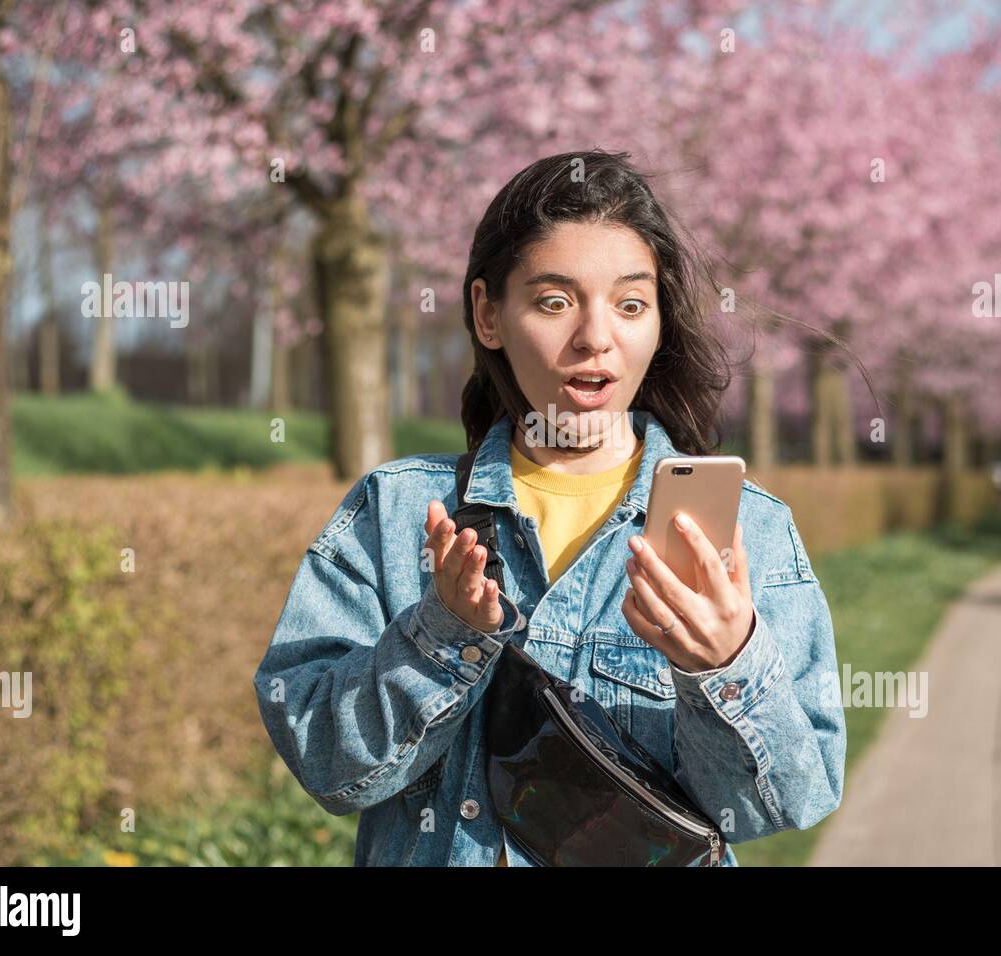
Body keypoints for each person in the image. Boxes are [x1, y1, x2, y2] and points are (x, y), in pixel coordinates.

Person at [253, 148, 846, 866]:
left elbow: (786, 802)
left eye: (631, 303)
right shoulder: (395, 509)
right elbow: (329, 767)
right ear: (488, 314)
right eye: (554, 301)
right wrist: (441, 637)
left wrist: (725, 666)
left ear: (658, 324)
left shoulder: (748, 527)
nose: (596, 337)